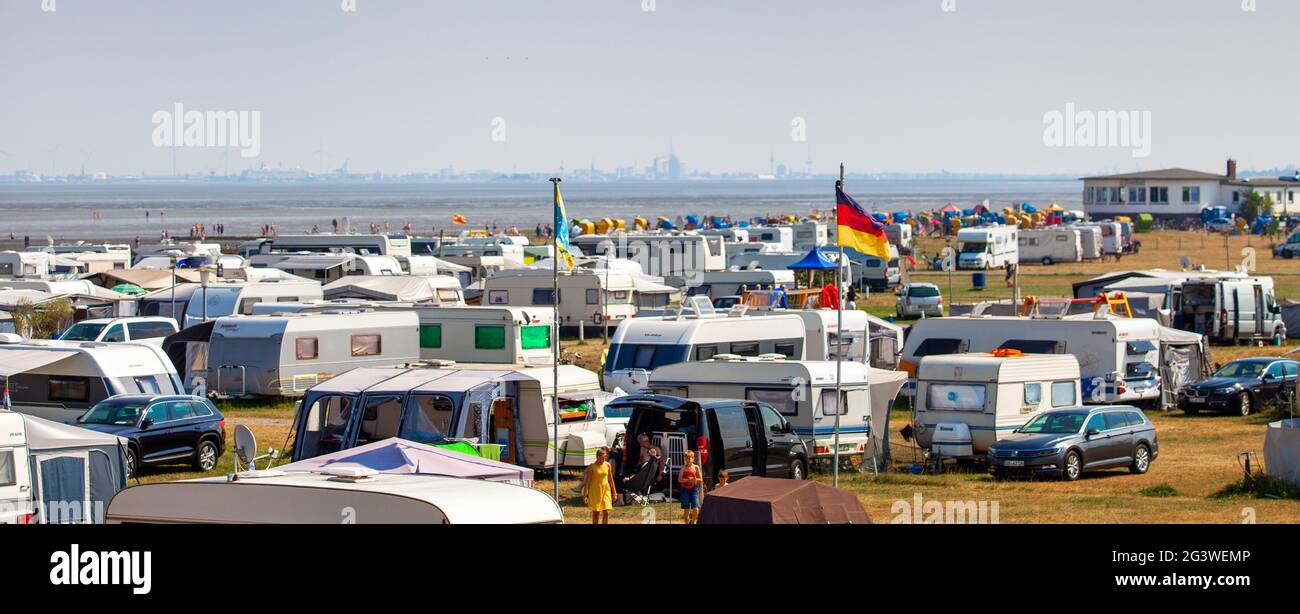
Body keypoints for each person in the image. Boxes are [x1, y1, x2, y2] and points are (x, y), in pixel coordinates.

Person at [581, 447, 616, 524]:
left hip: (606, 490)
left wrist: (614, 493)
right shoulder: (592, 466)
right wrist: (585, 496)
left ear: (606, 457)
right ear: (597, 457)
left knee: (606, 512)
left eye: (604, 458)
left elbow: (611, 480)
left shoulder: (608, 465)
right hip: (595, 491)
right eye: (600, 458)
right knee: (596, 513)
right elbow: (588, 482)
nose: (602, 460)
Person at [678, 450, 702, 524]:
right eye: (686, 458)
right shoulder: (683, 467)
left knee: (696, 507)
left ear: (693, 458)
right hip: (685, 489)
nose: (688, 460)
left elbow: (700, 479)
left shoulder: (696, 467)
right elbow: (679, 479)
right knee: (686, 508)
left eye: (690, 458)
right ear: (685, 459)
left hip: (694, 489)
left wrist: (694, 479)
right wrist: (688, 480)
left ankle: (694, 521)